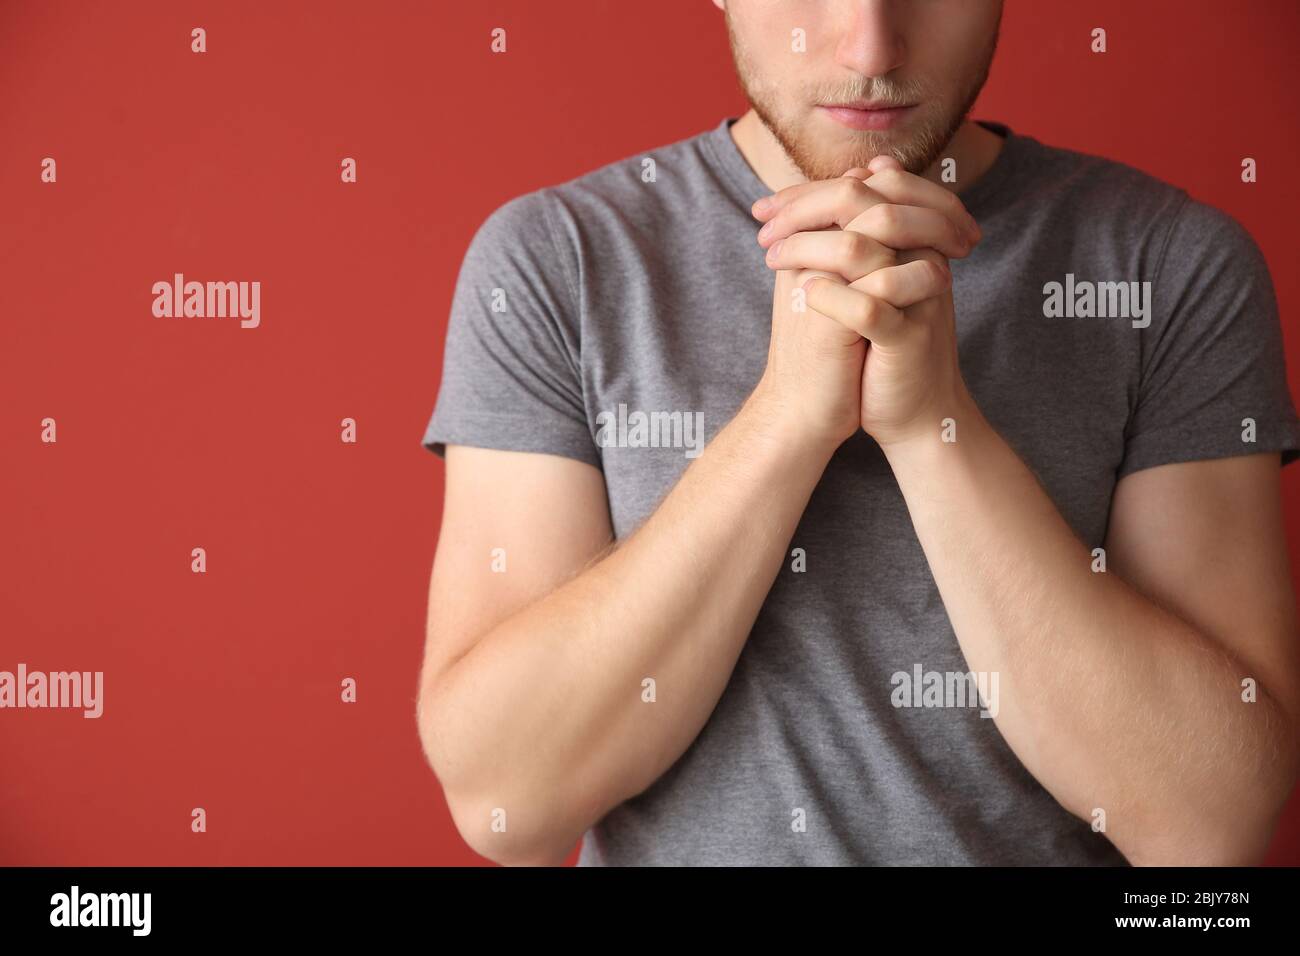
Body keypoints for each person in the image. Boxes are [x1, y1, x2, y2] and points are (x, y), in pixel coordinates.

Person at [415, 0, 1300, 865]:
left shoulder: (1172, 265)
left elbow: (1210, 828)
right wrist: (786, 420)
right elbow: (506, 804)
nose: (871, 46)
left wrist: (934, 426)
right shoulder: (557, 261)